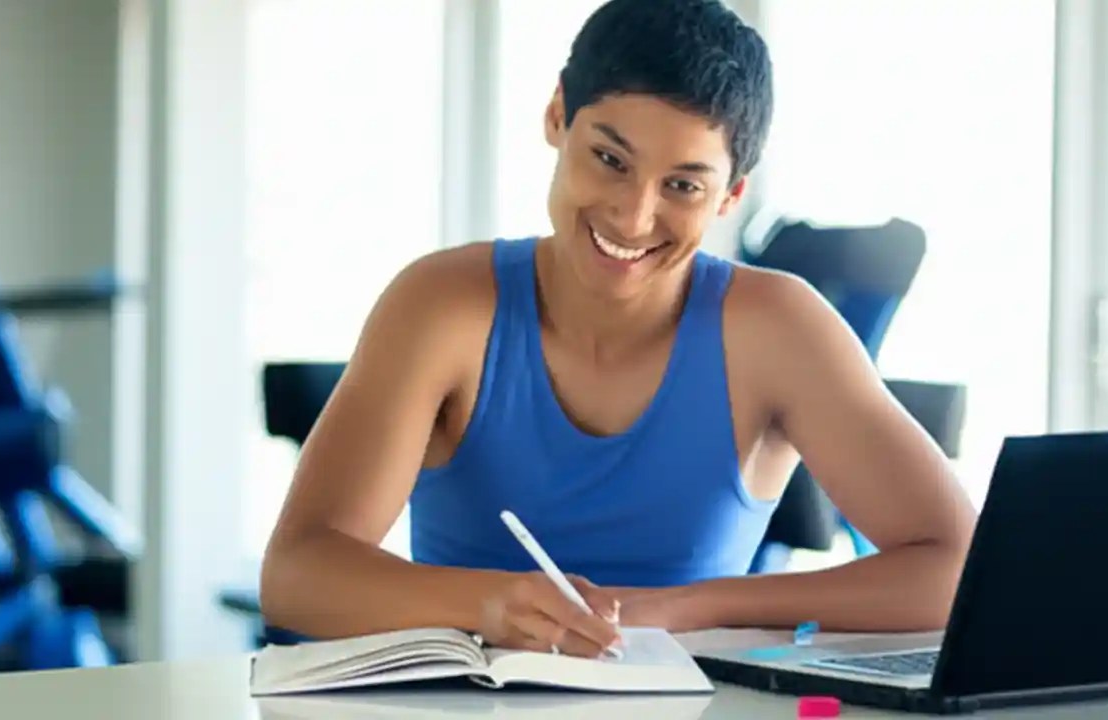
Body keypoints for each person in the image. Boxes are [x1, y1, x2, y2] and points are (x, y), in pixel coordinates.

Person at [260, 0, 977, 660]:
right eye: (610, 159)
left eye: (683, 185)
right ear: (556, 117)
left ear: (730, 194)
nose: (634, 217)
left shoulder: (779, 329)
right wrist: (491, 604)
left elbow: (956, 567)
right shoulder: (443, 303)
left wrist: (686, 610)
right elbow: (298, 573)